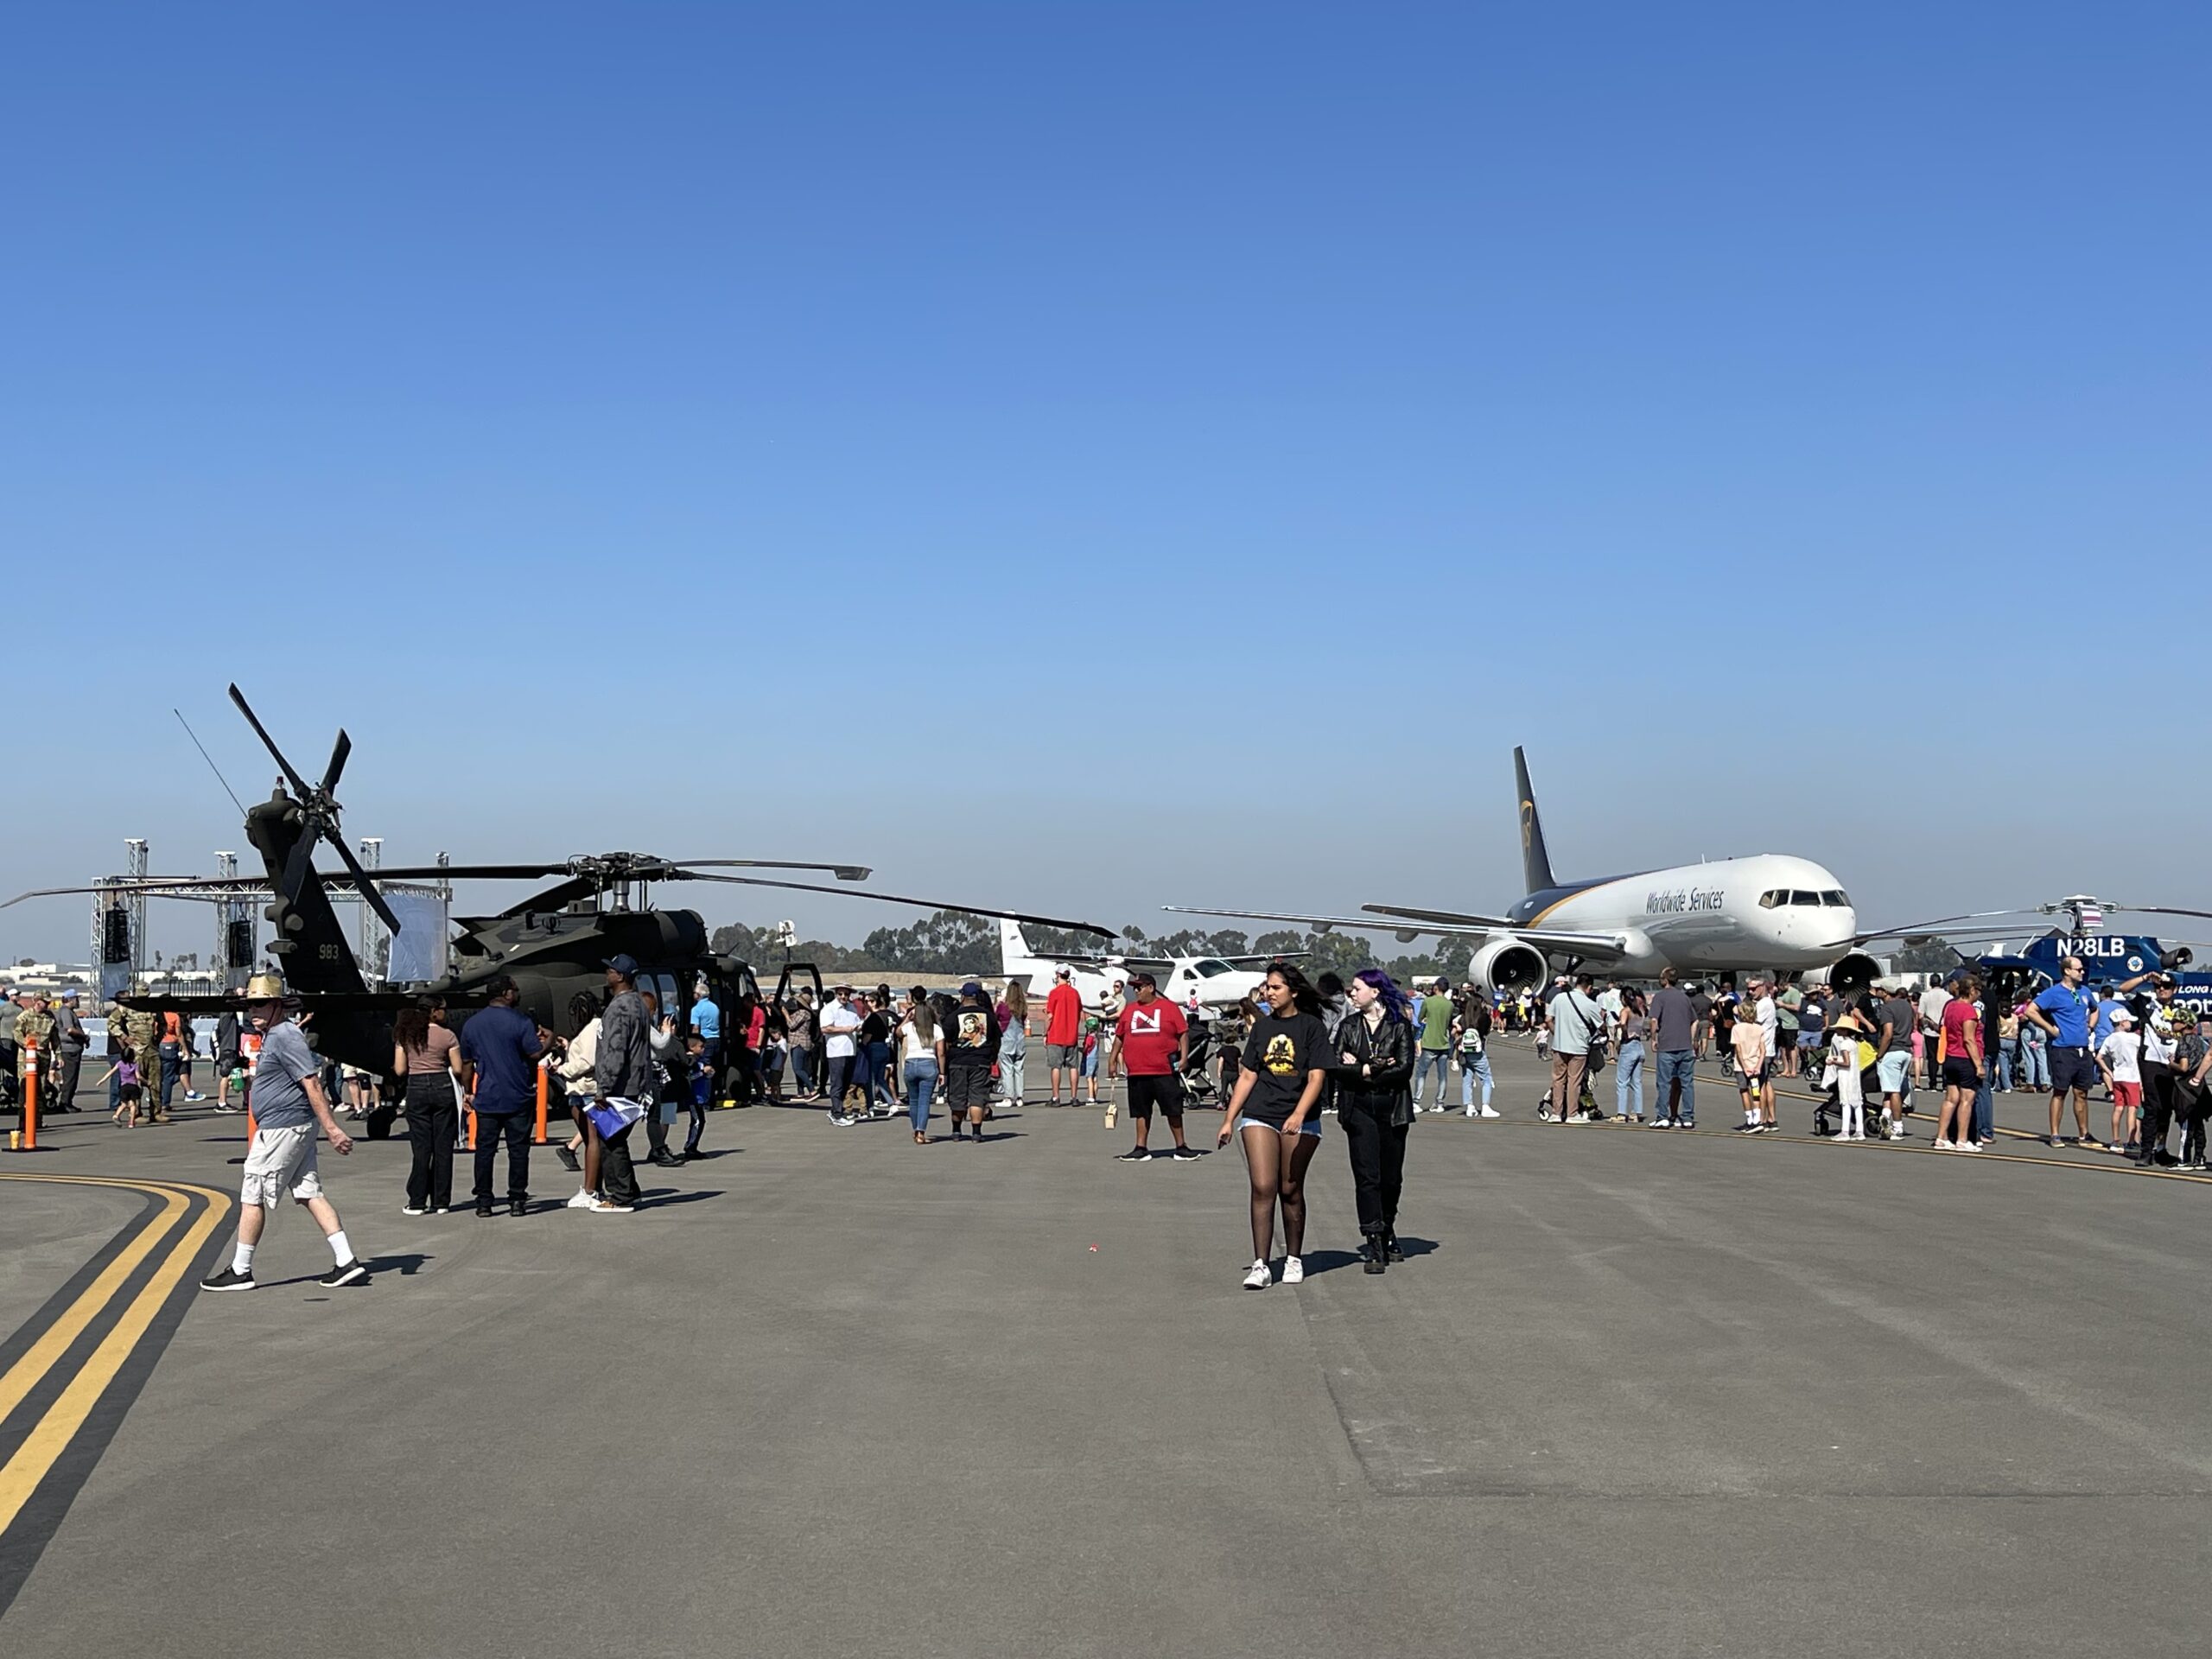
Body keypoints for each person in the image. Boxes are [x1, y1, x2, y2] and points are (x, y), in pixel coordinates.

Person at [199, 976, 367, 1291]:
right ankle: (346, 1261)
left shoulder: (284, 1035)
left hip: (282, 1128)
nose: (253, 1011)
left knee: (252, 1193)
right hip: (289, 1125)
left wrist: (332, 1129)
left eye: (260, 1003)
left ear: (278, 1005)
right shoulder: (277, 1035)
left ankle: (241, 1269)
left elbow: (311, 1081)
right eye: (250, 1005)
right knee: (308, 1193)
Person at [1217, 966, 1332, 1290]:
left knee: (1290, 1189)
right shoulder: (1262, 1028)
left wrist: (1298, 1114)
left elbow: (1316, 1078)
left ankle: (1294, 1259)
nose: (1269, 993)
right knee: (1263, 1186)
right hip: (1260, 1114)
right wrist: (1229, 1119)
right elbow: (1249, 1075)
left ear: (1293, 991)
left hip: (1301, 1118)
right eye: (1267, 987)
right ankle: (1261, 1265)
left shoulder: (1312, 1027)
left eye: (1276, 987)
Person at [1331, 968, 1416, 1274]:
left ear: (1375, 991)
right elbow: (1336, 1065)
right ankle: (1374, 1239)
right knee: (1368, 1176)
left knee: (1392, 1177)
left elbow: (1405, 1068)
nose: (1352, 993)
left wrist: (1360, 1065)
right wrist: (1369, 1070)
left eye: (1356, 988)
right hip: (1359, 1109)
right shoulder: (1349, 1026)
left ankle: (1388, 1226)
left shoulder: (1399, 1026)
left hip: (1393, 1109)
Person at [456, 973, 546, 1216]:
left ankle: (484, 1201)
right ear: (507, 993)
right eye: (515, 990)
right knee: (518, 1151)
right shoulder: (520, 1021)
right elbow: (535, 1054)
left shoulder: (472, 1024)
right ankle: (517, 1199)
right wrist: (549, 1041)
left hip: (487, 1097)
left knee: (485, 1152)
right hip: (518, 1096)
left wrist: (467, 1092)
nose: (517, 994)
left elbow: (466, 1064)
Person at [1112, 970, 1196, 1162]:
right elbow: (1120, 1036)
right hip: (1137, 1071)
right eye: (1135, 988)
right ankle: (1141, 1148)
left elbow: (1183, 1033)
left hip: (1163, 1069)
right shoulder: (1130, 1010)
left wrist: (1184, 1058)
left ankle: (1181, 1147)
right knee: (1141, 1111)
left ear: (1151, 987)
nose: (1137, 992)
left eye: (1140, 988)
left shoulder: (1169, 1008)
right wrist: (1112, 1059)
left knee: (1173, 1109)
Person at [592, 958, 653, 1213]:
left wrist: (603, 1087)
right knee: (615, 1138)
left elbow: (615, 1051)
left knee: (611, 1139)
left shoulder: (619, 1008)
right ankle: (630, 1190)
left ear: (620, 976)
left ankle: (620, 1196)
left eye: (611, 970)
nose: (607, 974)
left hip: (621, 1084)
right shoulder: (639, 1003)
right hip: (637, 1081)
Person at [2022, 954, 2102, 1148]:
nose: (2082, 972)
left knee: (2081, 1092)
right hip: (2063, 1049)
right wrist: (2050, 1029)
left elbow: (2095, 1009)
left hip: (2082, 1049)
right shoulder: (2054, 993)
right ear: (2067, 971)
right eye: (2079, 969)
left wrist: (2090, 1026)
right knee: (2060, 1092)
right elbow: (2030, 1010)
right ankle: (2055, 1134)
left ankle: (2084, 1134)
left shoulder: (2084, 992)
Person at [391, 995, 461, 1215]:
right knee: (443, 1147)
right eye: (443, 1009)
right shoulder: (448, 1035)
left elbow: (400, 1070)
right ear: (433, 1012)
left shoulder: (406, 1035)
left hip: (417, 1087)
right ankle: (441, 1201)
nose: (445, 1013)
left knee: (422, 1148)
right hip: (442, 1086)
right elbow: (458, 1069)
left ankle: (417, 1201)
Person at [551, 992, 603, 1206]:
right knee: (590, 1138)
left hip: (588, 1090)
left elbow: (587, 1061)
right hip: (577, 1092)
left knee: (593, 1141)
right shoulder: (586, 1030)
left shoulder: (594, 1027)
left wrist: (562, 1069)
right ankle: (594, 1188)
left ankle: (590, 1191)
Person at [943, 981, 1001, 1142]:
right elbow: (996, 1039)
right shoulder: (988, 1016)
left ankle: (956, 1131)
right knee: (977, 1098)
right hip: (981, 1061)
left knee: (957, 1098)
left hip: (958, 1062)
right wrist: (992, 1056)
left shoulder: (953, 1016)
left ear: (962, 996)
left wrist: (946, 1059)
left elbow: (945, 1041)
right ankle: (976, 1132)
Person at [1543, 974, 1605, 1123]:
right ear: (1589, 987)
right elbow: (1601, 1026)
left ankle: (1556, 1113)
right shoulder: (1589, 1004)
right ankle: (1572, 1113)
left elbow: (1548, 1019)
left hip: (1559, 1045)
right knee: (1574, 1081)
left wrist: (1556, 1033)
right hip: (1578, 1047)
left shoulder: (1559, 998)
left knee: (1558, 1080)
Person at [1935, 976, 1985, 1151]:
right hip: (1965, 1059)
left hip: (1950, 1057)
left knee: (1950, 1099)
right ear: (1972, 991)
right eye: (1978, 992)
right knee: (1966, 1100)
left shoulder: (1950, 1007)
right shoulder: (1968, 1011)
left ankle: (1941, 1137)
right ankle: (1962, 1140)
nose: (1979, 995)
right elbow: (1969, 1040)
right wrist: (1978, 1064)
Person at [1648, 969, 1698, 1129]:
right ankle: (1688, 1116)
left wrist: (1654, 1038)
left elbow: (1654, 1020)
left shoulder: (1660, 997)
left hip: (1667, 1046)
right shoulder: (1684, 997)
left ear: (1664, 980)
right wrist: (1690, 1039)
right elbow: (1694, 1021)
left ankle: (1662, 1116)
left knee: (1664, 1083)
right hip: (1685, 1046)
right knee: (1687, 1083)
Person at [898, 989, 944, 1143]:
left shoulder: (910, 1027)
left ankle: (915, 1129)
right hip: (929, 1064)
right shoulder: (936, 1029)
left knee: (914, 1101)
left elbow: (897, 1032)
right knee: (924, 1100)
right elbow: (941, 1052)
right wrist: (942, 1072)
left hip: (911, 1063)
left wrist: (906, 1018)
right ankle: (921, 1132)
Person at [2097, 1005, 2142, 1154]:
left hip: (2118, 1077)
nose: (2131, 1023)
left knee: (2118, 1108)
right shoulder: (2133, 1038)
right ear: (2122, 1022)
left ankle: (2116, 1140)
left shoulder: (2110, 1039)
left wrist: (2109, 1072)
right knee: (2132, 1108)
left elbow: (2099, 1057)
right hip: (2132, 1077)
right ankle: (2131, 1140)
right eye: (2128, 1021)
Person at [1876, 983, 1916, 1141]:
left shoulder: (1888, 1008)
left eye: (1878, 989)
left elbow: (1888, 1034)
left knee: (1893, 1091)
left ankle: (1897, 1127)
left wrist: (1880, 1054)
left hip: (1893, 1051)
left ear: (1885, 992)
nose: (1875, 991)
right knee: (1891, 1087)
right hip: (1906, 1051)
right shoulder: (1907, 1006)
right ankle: (1885, 1116)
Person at [817, 985, 862, 1123]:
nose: (843, 997)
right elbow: (825, 1028)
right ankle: (837, 1113)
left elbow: (857, 1024)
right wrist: (845, 1029)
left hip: (851, 1050)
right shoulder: (829, 1009)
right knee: (837, 1082)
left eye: (846, 994)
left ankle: (837, 1109)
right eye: (841, 994)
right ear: (836, 994)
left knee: (846, 1082)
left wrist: (858, 1028)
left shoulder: (852, 1008)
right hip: (836, 1051)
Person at [1823, 1007, 1870, 1141]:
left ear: (1844, 1030)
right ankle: (1859, 1131)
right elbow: (1849, 1060)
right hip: (1854, 1076)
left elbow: (1846, 1063)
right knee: (1857, 1102)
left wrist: (1833, 1062)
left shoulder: (1844, 1044)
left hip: (1845, 1076)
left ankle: (1845, 1131)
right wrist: (1837, 1059)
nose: (1836, 1031)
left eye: (1839, 1028)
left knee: (1845, 1102)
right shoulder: (1853, 1043)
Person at [1409, 978, 1453, 1113]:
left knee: (1421, 1073)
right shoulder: (1450, 1005)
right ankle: (1440, 1102)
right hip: (1444, 1043)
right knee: (1442, 1076)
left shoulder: (1428, 1001)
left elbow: (1419, 1018)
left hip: (1429, 1042)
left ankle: (1417, 1101)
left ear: (1436, 988)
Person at [1452, 995, 1497, 1117]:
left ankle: (1469, 1106)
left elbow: (1454, 1033)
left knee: (1467, 1080)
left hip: (1464, 1052)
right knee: (1486, 1078)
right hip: (1478, 1052)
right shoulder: (1483, 1018)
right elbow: (1486, 1032)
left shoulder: (1462, 1018)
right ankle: (1486, 1106)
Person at [1044, 966, 1083, 1104]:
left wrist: (1045, 1033)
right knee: (1073, 1067)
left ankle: (1056, 1097)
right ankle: (1074, 1097)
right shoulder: (1075, 993)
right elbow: (1079, 1012)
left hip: (1056, 1035)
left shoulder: (1054, 993)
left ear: (1058, 975)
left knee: (1056, 1067)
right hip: (1071, 1035)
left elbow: (1050, 1016)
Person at [1731, 1004, 1771, 1133]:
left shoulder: (1736, 1028)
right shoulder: (1759, 1028)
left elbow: (1739, 1051)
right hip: (1755, 1064)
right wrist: (1758, 1066)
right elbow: (1763, 1050)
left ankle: (1750, 1120)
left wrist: (1745, 1067)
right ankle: (1757, 1120)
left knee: (1744, 1091)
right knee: (1756, 1092)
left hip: (1742, 1066)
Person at [1613, 988, 1648, 1123]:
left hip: (1628, 1046)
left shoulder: (1625, 1011)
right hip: (1639, 1046)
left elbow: (1623, 1024)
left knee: (1622, 1082)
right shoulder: (1640, 1012)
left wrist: (1621, 1032)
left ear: (1623, 998)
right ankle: (1636, 1113)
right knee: (1637, 1082)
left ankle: (1622, 1113)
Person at [50, 990, 88, 1111]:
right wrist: (84, 1036)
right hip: (69, 1049)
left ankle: (67, 1102)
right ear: (71, 999)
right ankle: (64, 1103)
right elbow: (70, 1029)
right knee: (70, 1078)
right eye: (76, 999)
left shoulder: (67, 1012)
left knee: (71, 1077)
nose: (78, 1001)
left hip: (72, 1048)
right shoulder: (66, 1012)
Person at [997, 980, 1029, 1107]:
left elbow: (995, 1018)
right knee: (1019, 1069)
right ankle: (1020, 1097)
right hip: (1020, 1040)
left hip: (1007, 1041)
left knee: (1007, 1069)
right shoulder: (1023, 1007)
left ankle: (1008, 1097)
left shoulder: (1003, 1007)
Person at [785, 988, 819, 1100]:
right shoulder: (802, 1013)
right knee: (799, 1068)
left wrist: (785, 1014)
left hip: (800, 1043)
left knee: (798, 1068)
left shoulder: (804, 1013)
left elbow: (792, 1025)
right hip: (796, 1042)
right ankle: (800, 1091)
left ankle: (812, 1089)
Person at [213, 1003, 242, 1113]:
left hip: (227, 1046)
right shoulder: (228, 1014)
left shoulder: (224, 1015)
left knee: (227, 1074)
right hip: (228, 1047)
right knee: (226, 1075)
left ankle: (221, 1101)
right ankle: (222, 1102)